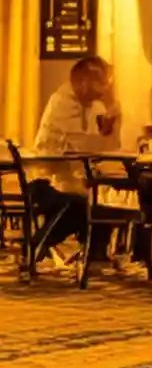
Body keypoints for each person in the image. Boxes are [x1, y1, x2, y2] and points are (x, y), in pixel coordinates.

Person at [29, 55, 121, 262]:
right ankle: (38, 242)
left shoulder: (95, 107)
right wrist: (103, 134)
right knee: (80, 205)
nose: (104, 89)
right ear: (83, 81)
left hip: (76, 181)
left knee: (105, 202)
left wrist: (112, 120)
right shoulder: (61, 102)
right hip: (47, 180)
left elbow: (111, 147)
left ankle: (95, 255)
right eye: (101, 82)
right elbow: (80, 145)